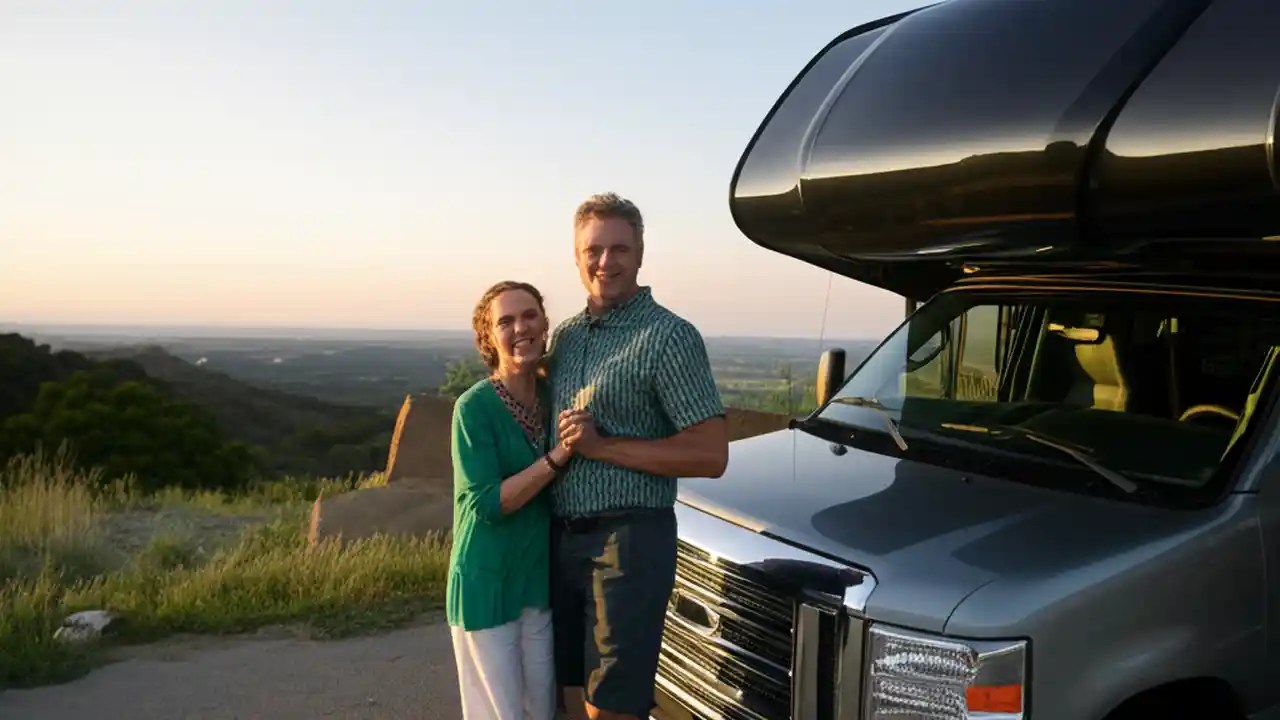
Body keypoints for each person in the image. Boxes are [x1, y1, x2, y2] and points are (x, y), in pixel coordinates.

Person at [547, 192, 730, 720]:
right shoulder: (566, 336)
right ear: (577, 256)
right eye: (594, 249)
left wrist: (604, 447)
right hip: (560, 539)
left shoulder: (669, 337)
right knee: (567, 693)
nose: (606, 262)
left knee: (613, 705)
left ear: (641, 253)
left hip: (627, 540)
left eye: (619, 249)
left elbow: (710, 453)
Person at [447, 280, 571, 720]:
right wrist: (557, 458)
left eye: (530, 315)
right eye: (506, 321)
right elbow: (487, 503)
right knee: (501, 715)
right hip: (486, 582)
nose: (521, 327)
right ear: (488, 337)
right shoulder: (473, 409)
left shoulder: (553, 399)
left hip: (534, 583)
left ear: (544, 324)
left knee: (541, 710)